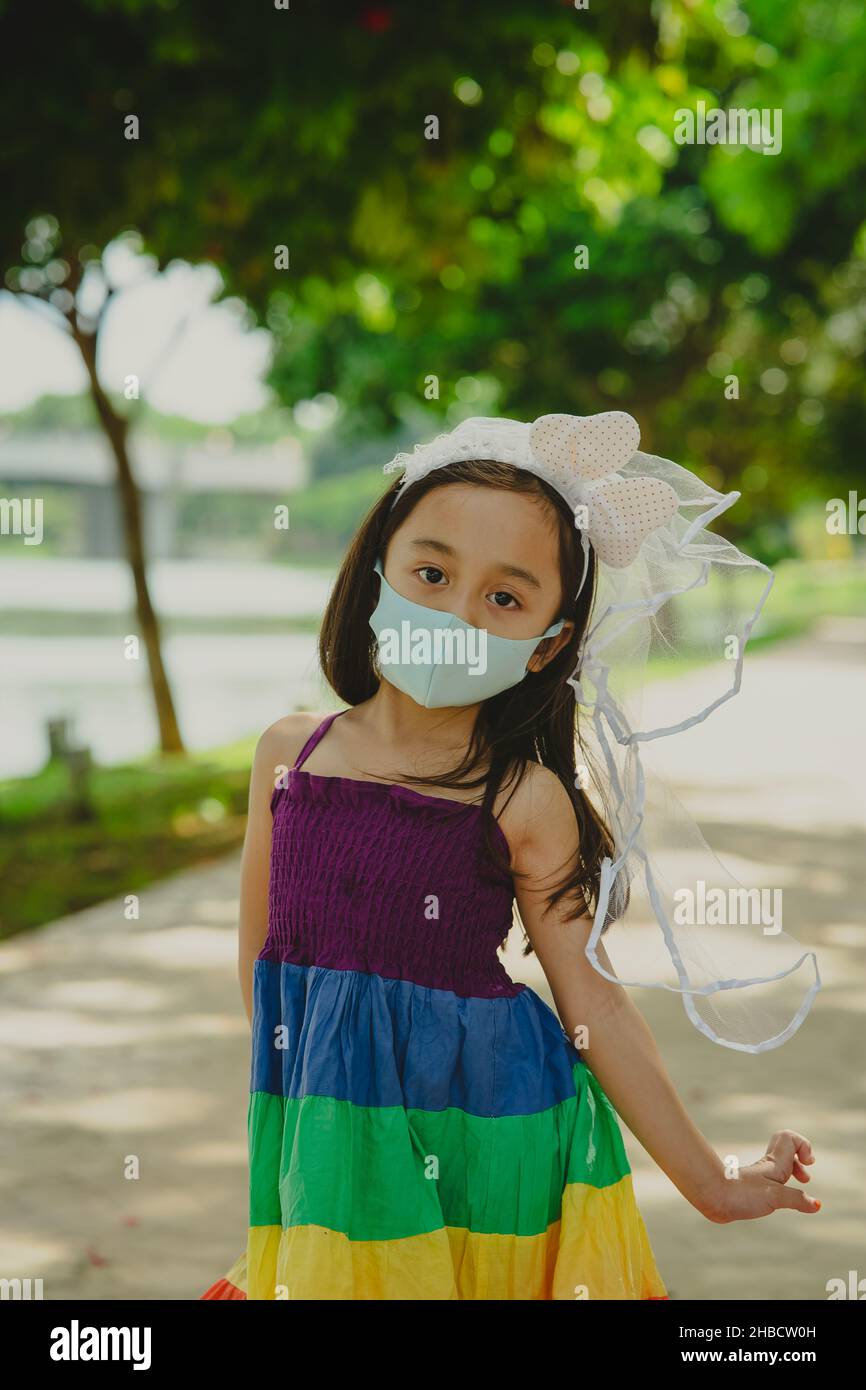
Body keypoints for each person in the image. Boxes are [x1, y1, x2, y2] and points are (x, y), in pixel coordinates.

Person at [201, 411, 819, 1301]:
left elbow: (593, 1004)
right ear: (377, 564)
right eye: (432, 571)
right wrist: (310, 1119)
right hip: (333, 1143)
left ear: (549, 643)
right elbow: (263, 971)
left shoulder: (525, 799)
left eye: (504, 597)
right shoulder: (289, 753)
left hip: (498, 1144)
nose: (456, 611)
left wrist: (713, 1185)